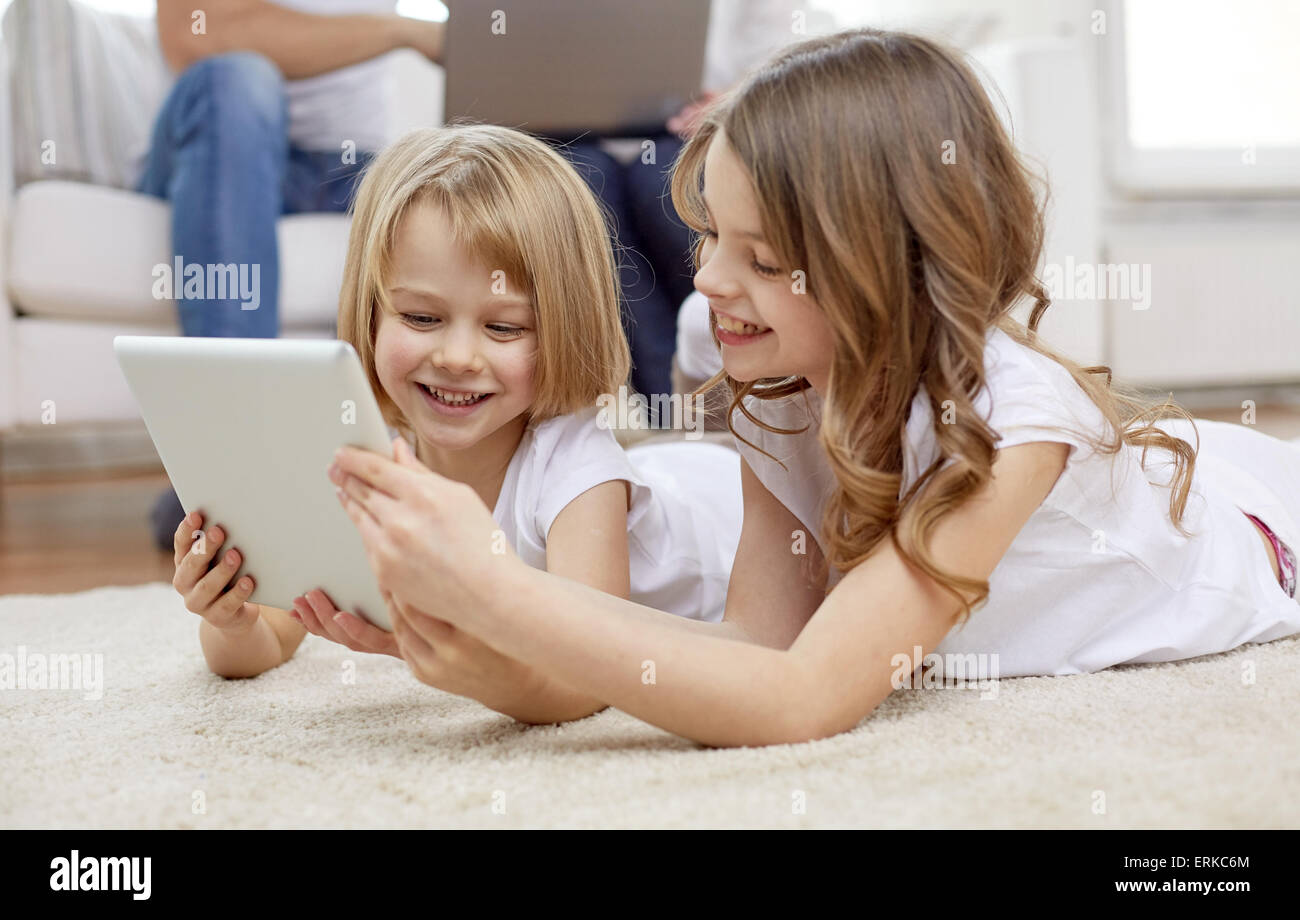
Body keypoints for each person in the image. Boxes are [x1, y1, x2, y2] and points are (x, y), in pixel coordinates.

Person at [329, 29, 1300, 748]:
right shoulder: (745, 347)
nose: (705, 284)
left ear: (880, 268)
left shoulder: (1011, 427)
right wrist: (494, 636)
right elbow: (757, 635)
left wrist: (499, 592)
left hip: (1244, 545)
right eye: (710, 235)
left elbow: (801, 694)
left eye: (759, 258)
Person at [169, 125, 742, 725]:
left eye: (503, 328)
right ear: (370, 312)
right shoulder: (367, 459)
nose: (458, 358)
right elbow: (273, 636)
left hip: (722, 507)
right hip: (670, 466)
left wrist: (468, 675)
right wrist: (229, 618)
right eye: (420, 317)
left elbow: (588, 680)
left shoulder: (578, 471)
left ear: (565, 331)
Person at [142, 0, 444, 550]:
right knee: (237, 79)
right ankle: (225, 463)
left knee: (434, 176)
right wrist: (401, 30)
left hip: (349, 164)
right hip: (218, 146)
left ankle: (353, 466)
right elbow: (195, 34)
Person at [556, 0, 811, 418]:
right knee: (586, 190)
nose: (710, 278)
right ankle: (674, 415)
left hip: (694, 125)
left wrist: (739, 98)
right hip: (579, 137)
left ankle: (724, 399)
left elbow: (792, 53)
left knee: (659, 183)